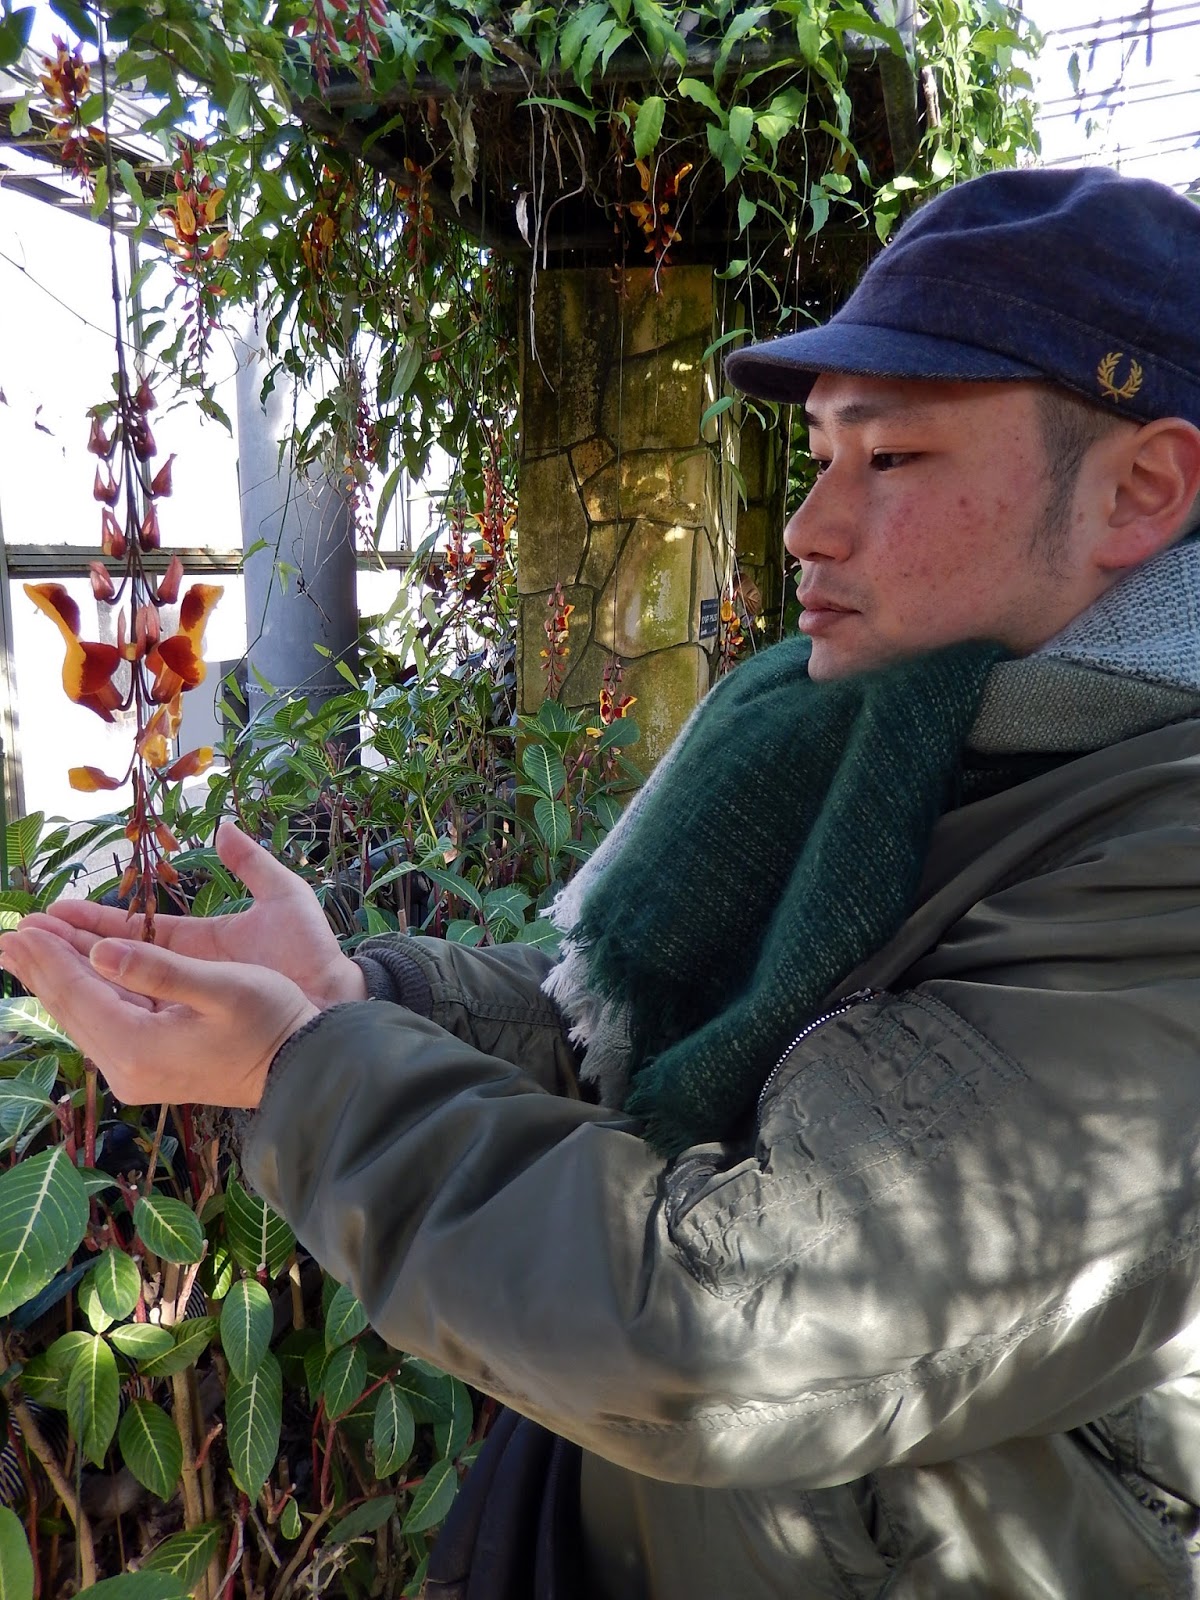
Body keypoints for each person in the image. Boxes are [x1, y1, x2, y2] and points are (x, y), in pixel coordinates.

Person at [7, 163, 1200, 1598]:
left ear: (1140, 491)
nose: (810, 529)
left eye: (889, 462)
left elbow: (723, 1330)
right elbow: (632, 1033)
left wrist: (305, 1072)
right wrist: (344, 996)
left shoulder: (1160, 854)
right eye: (821, 457)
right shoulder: (888, 733)